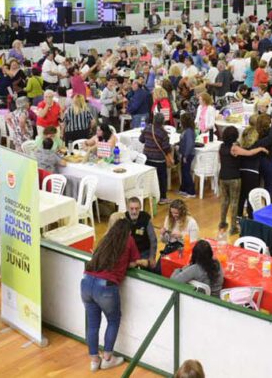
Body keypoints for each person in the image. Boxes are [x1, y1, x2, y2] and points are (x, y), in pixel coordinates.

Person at [82, 219, 149, 371]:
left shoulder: (106, 239)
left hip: (86, 281)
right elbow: (134, 262)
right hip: (105, 286)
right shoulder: (128, 239)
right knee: (113, 320)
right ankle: (107, 358)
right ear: (128, 231)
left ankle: (94, 360)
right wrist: (143, 262)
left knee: (92, 324)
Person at [140, 113, 172, 201]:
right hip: (159, 159)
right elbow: (166, 148)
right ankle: (162, 197)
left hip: (147, 158)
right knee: (162, 179)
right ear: (163, 122)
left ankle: (150, 195)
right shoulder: (163, 133)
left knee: (150, 178)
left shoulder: (147, 128)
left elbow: (141, 140)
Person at [177, 112, 198, 198]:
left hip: (187, 155)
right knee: (184, 171)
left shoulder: (188, 131)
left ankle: (191, 191)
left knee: (186, 172)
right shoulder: (187, 130)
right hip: (185, 154)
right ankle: (184, 189)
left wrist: (185, 156)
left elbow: (189, 145)